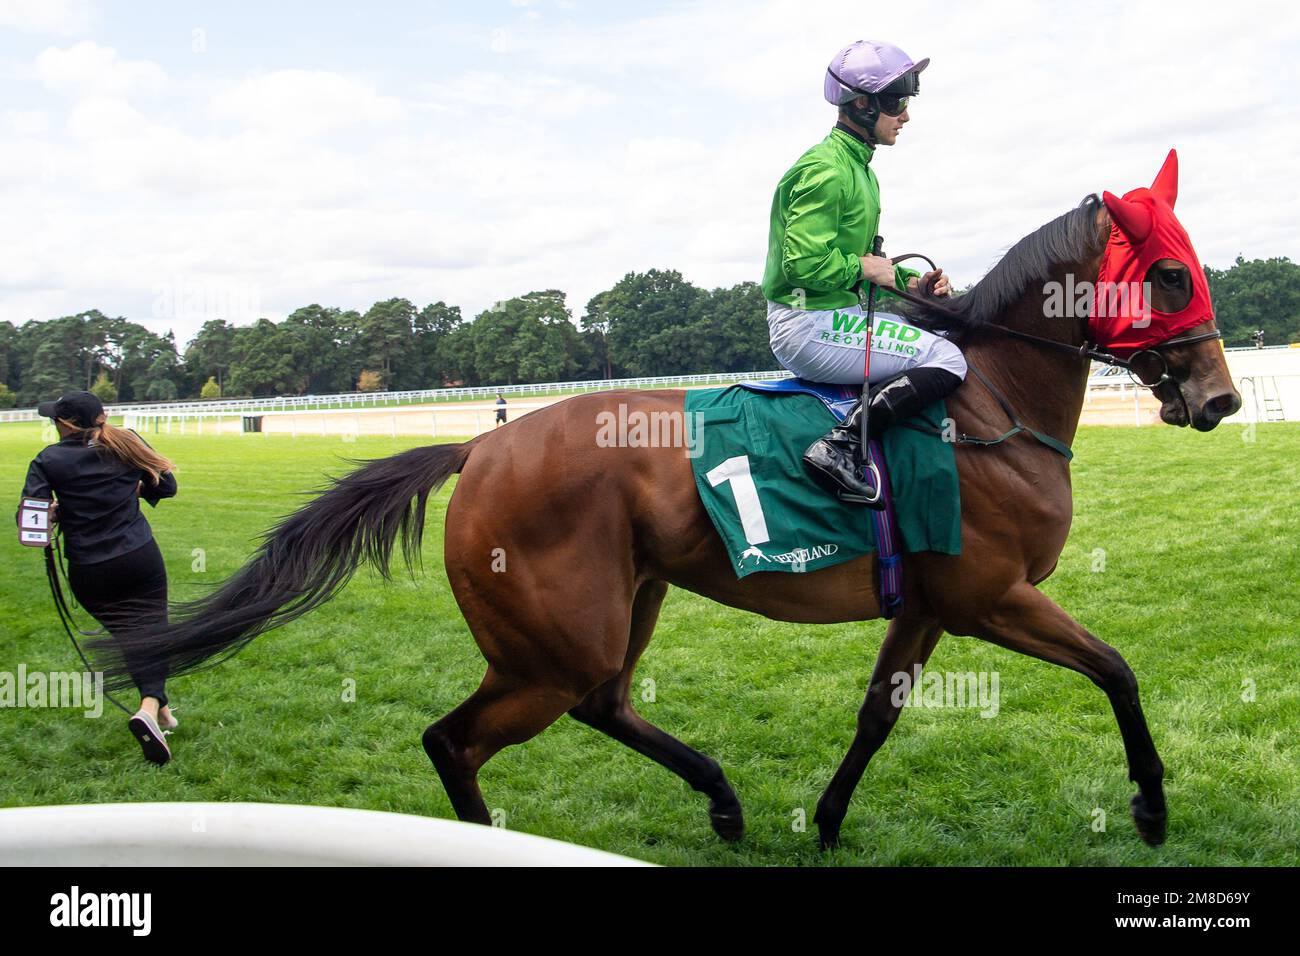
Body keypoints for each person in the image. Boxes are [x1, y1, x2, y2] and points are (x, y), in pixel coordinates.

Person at [761, 39, 968, 503]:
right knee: (948, 360)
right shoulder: (827, 170)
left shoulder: (861, 170)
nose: (906, 115)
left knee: (948, 341)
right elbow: (803, 265)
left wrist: (915, 286)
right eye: (897, 103)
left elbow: (865, 269)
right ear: (861, 104)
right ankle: (841, 445)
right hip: (806, 324)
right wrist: (866, 269)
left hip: (835, 317)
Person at [17, 390, 179, 764]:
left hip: (89, 570)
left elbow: (30, 524)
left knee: (132, 637)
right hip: (138, 557)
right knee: (152, 634)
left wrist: (57, 513)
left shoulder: (47, 460)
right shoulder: (126, 442)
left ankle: (156, 710)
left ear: (63, 424)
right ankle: (152, 708)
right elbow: (166, 487)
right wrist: (131, 488)